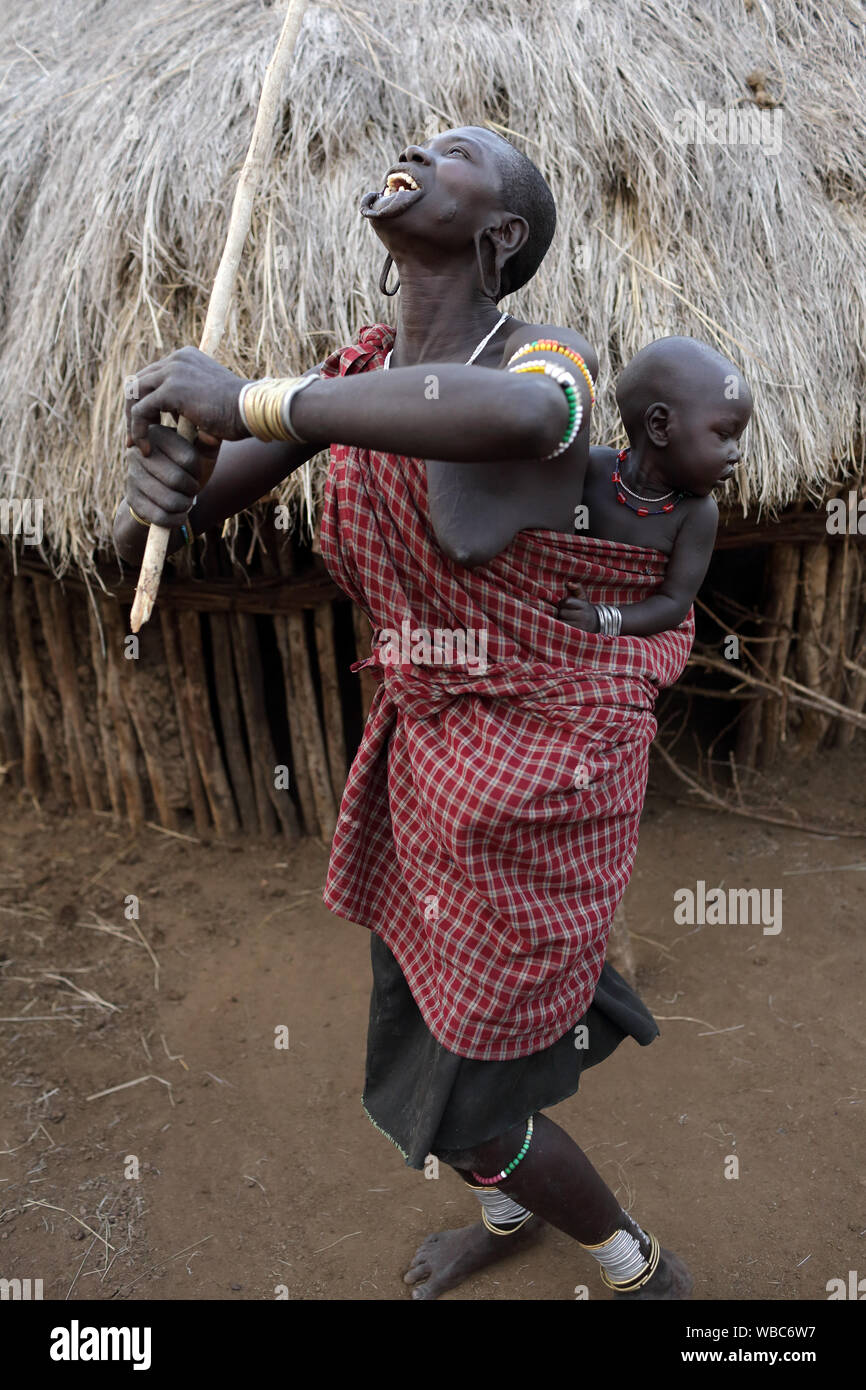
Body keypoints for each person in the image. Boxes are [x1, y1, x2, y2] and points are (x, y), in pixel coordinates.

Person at [115, 126, 695, 1300]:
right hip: (427, 773)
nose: (412, 151)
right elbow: (165, 543)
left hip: (538, 786)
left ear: (500, 236)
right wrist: (156, 491)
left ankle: (636, 1270)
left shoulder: (550, 368)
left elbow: (523, 426)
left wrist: (255, 401)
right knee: (431, 1013)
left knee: (475, 1102)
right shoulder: (350, 376)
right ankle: (502, 1212)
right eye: (415, 143)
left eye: (454, 152)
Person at [556, 338, 752, 637]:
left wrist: (600, 619)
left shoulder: (697, 514)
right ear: (660, 426)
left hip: (635, 642)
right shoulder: (589, 469)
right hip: (561, 620)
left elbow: (673, 605)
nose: (736, 454)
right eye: (725, 435)